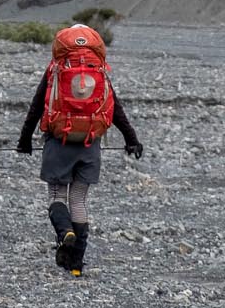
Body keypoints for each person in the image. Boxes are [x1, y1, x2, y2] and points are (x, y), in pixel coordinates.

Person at [15, 24, 143, 276]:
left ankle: (65, 233)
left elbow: (36, 106)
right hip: (90, 143)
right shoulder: (99, 71)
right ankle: (76, 265)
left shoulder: (56, 70)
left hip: (58, 142)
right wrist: (132, 140)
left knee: (57, 195)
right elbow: (115, 109)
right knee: (79, 200)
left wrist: (25, 140)